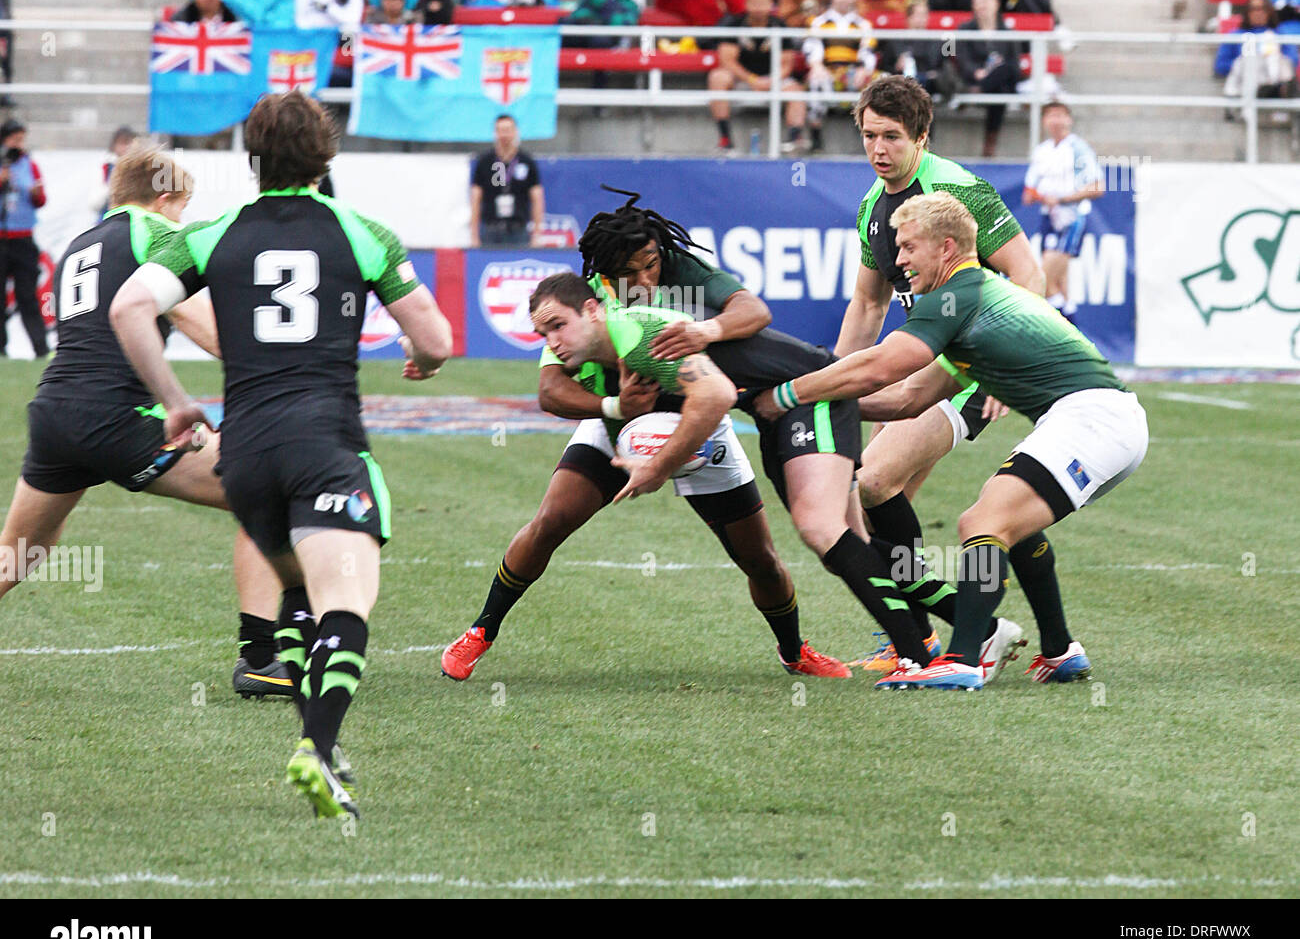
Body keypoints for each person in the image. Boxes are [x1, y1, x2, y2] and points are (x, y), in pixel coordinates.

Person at [109, 92, 455, 819]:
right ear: (325, 156)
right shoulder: (363, 233)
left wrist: (173, 398)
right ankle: (318, 751)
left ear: (251, 158)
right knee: (348, 603)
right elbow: (437, 341)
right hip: (323, 443)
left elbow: (128, 309)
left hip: (247, 456)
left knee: (299, 594)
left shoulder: (209, 234)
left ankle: (315, 737)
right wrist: (419, 359)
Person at [441, 196, 848, 682]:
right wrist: (614, 407)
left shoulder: (682, 269)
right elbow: (550, 390)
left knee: (759, 558)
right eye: (632, 272)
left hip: (699, 420)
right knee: (550, 520)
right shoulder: (582, 303)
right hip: (619, 423)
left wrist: (703, 331)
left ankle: (793, 649)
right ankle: (481, 631)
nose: (647, 280)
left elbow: (752, 311)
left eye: (651, 264)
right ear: (605, 279)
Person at [756, 190, 1148, 690]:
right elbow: (907, 399)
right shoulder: (970, 298)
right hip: (1100, 421)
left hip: (1094, 420)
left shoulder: (954, 295)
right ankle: (1060, 651)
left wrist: (787, 393)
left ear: (945, 247)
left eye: (908, 247)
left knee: (983, 521)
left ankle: (962, 658)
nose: (898, 261)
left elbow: (881, 365)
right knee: (1014, 523)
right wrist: (822, 401)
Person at [0, 144, 295, 698]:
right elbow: (194, 316)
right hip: (116, 420)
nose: (183, 221)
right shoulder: (156, 233)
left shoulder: (79, 245)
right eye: (182, 209)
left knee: (15, 556)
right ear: (165, 200)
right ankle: (260, 658)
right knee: (266, 488)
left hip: (55, 415)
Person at [831, 76, 1058, 676]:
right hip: (920, 365)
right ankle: (919, 636)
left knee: (871, 481)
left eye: (892, 137)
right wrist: (831, 383)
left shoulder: (961, 190)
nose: (878, 148)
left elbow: (1029, 277)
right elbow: (868, 306)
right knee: (887, 499)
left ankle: (971, 629)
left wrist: (1005, 368)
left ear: (922, 136)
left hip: (966, 372)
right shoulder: (872, 207)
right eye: (868, 135)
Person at [1023, 101, 1104, 321]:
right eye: (1050, 115)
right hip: (1049, 219)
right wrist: (1042, 197)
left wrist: (1061, 199)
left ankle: (1067, 337)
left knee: (1044, 281)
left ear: (1069, 119)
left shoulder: (1078, 148)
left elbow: (1097, 187)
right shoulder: (1042, 151)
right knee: (1059, 285)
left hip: (1071, 218)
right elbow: (1029, 193)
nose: (1055, 120)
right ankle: (1074, 339)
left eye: (1060, 115)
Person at [708, 0, 808, 152]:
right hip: (741, 80)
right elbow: (727, 60)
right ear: (746, 4)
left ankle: (794, 140)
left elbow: (787, 63)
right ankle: (725, 139)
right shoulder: (734, 24)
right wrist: (752, 80)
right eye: (755, 3)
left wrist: (771, 80)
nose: (759, 8)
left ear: (771, 4)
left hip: (773, 79)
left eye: (763, 3)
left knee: (796, 91)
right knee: (717, 77)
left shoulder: (779, 25)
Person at [802, 0, 877, 152]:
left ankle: (867, 135)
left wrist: (863, 69)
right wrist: (817, 65)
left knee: (882, 82)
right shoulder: (818, 22)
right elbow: (812, 47)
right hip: (829, 71)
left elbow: (868, 52)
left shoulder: (864, 24)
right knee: (815, 80)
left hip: (854, 72)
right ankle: (815, 136)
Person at [952, 0, 1025, 156]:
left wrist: (991, 74)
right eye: (977, 1)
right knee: (999, 86)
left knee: (1005, 73)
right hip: (974, 79)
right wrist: (977, 72)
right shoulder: (964, 29)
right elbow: (961, 58)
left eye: (985, 0)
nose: (981, 5)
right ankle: (990, 139)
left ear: (996, 3)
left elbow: (1015, 66)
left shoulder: (1008, 33)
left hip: (994, 84)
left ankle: (980, 90)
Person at [0, 118, 49, 358]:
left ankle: (40, 348)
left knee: (27, 295)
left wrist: (36, 193)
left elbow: (40, 200)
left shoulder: (29, 164)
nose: (18, 144)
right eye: (14, 139)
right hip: (1, 236)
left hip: (23, 238)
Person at [469, 114, 546, 248]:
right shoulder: (485, 162)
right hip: (490, 229)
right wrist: (474, 234)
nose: (504, 135)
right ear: (495, 133)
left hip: (518, 230)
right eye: (500, 130)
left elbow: (537, 198)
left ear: (515, 132)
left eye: (508, 130)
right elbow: (475, 199)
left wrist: (537, 233)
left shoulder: (526, 161)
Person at [295, 0, 365, 88]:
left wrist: (328, 8)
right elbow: (300, 16)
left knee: (350, 39)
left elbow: (352, 20)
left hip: (342, 39)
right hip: (314, 37)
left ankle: (343, 74)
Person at [1215, 0, 1300, 94]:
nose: (1258, 13)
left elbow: (1292, 61)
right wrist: (1249, 64)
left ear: (1269, 11)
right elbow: (1220, 66)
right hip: (1243, 83)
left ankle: (1269, 90)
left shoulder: (1279, 34)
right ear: (1247, 12)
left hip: (1276, 82)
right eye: (1253, 9)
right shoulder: (1235, 36)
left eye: (1262, 9)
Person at [878, 0, 948, 100]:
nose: (922, 19)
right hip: (901, 86)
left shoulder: (939, 40)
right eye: (918, 15)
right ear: (908, 17)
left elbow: (943, 66)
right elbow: (885, 67)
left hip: (929, 85)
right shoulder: (895, 40)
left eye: (924, 15)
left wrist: (934, 74)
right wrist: (897, 67)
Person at [90, 125, 138, 219]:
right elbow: (94, 204)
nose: (126, 147)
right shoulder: (106, 168)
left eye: (129, 143)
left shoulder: (141, 168)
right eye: (122, 143)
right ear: (114, 146)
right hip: (108, 219)